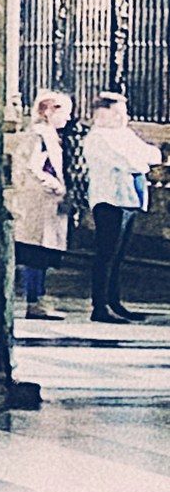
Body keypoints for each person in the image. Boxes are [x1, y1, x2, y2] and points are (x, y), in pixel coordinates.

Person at [82, 89, 157, 322]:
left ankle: (114, 301)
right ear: (102, 113)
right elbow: (126, 162)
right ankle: (100, 306)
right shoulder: (98, 137)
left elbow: (153, 154)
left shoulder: (124, 134)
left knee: (118, 255)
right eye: (117, 113)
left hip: (129, 199)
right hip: (109, 200)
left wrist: (140, 159)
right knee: (106, 253)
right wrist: (140, 161)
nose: (123, 118)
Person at [13, 88, 72, 319]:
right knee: (36, 253)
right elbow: (30, 166)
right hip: (38, 203)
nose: (68, 118)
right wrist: (52, 184)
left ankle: (38, 298)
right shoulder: (38, 135)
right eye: (64, 112)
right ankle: (34, 300)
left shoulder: (50, 135)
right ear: (48, 111)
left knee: (42, 253)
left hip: (47, 204)